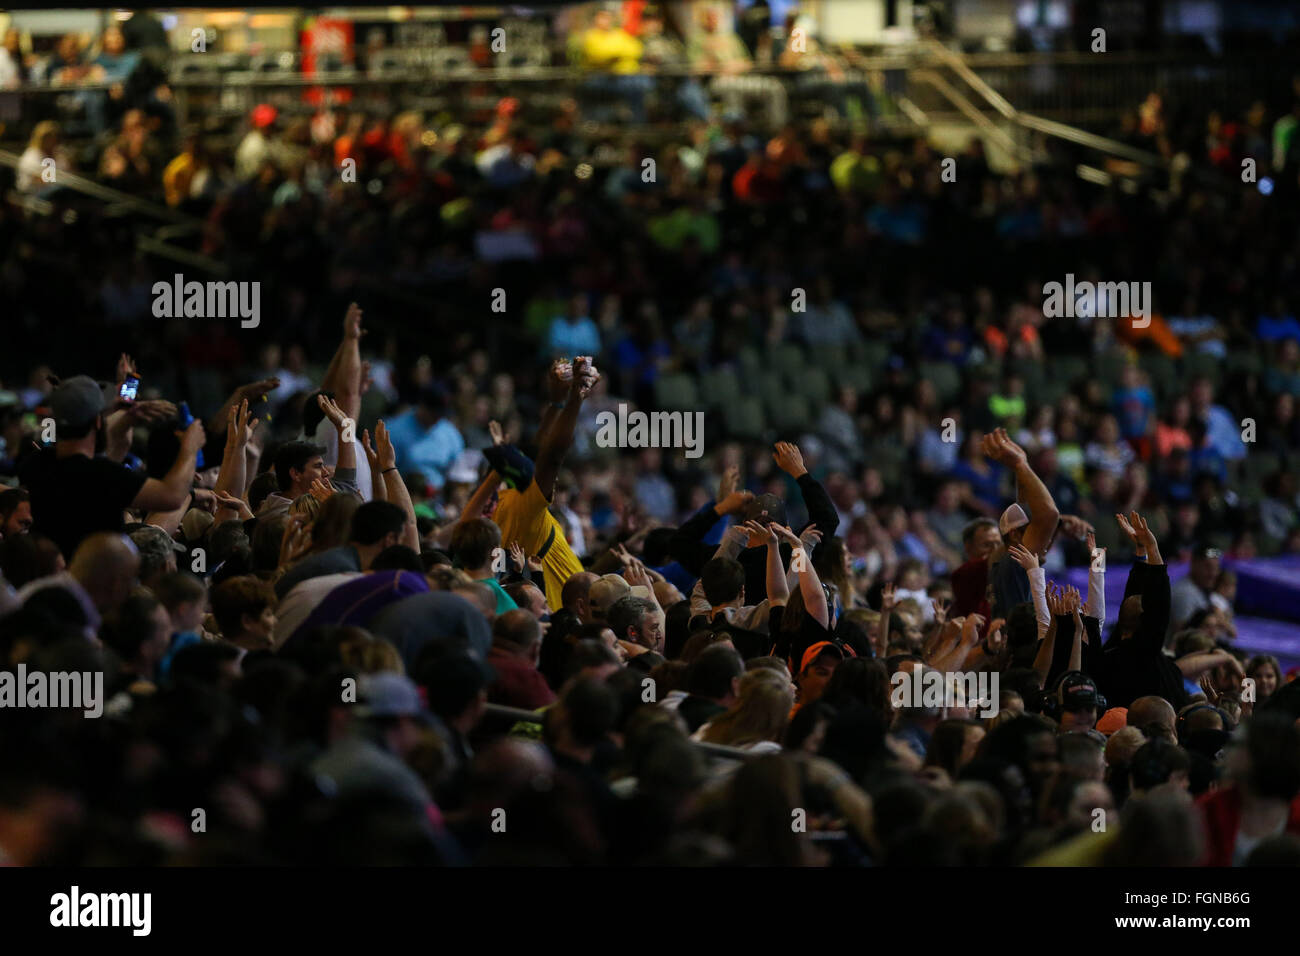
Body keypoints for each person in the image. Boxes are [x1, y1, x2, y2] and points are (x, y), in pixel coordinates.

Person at [19, 375, 205, 559]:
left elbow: (103, 447)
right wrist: (190, 448)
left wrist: (127, 418)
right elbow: (171, 496)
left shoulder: (37, 463)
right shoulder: (103, 474)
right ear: (97, 422)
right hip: (95, 582)